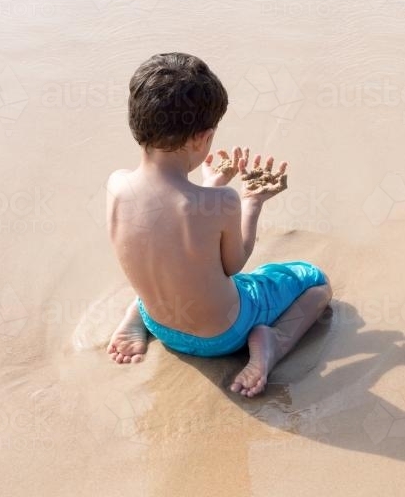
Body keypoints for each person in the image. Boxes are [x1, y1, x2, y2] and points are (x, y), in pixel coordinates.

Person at [105, 52, 332, 397]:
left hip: (161, 323)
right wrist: (251, 203)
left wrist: (209, 185)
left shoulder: (117, 186)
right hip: (223, 335)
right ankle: (273, 342)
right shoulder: (223, 201)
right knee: (316, 283)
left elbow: (170, 232)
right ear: (202, 138)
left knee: (162, 262)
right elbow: (233, 264)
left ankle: (137, 316)